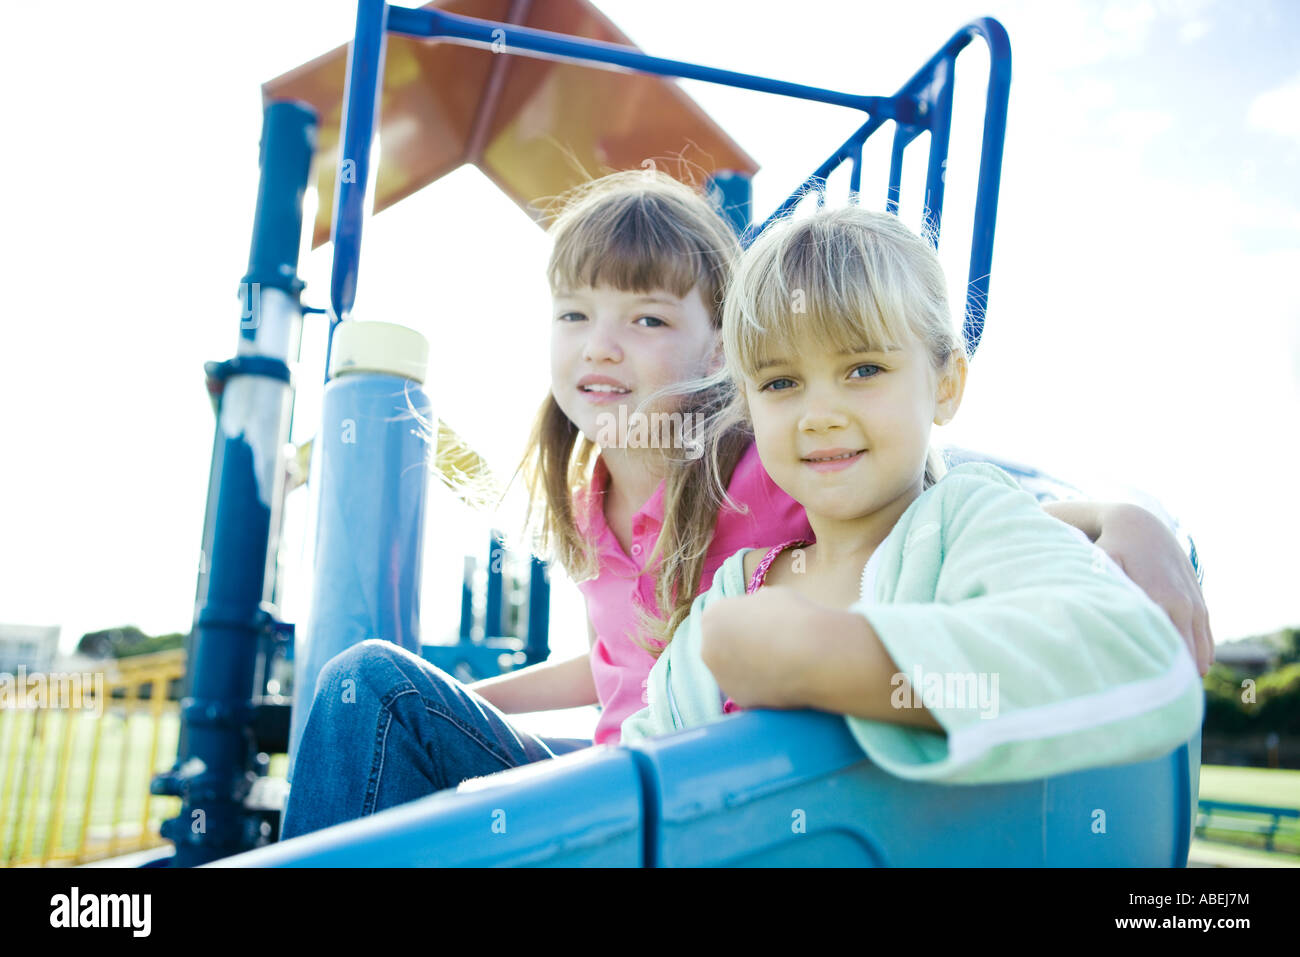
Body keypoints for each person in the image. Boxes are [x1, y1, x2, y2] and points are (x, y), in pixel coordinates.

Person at [280, 171, 1210, 839]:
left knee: (375, 689)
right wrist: (470, 708)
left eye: (646, 318)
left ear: (714, 359)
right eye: (784, 382)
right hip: (647, 797)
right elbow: (637, 701)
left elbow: (1006, 540)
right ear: (755, 390)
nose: (821, 412)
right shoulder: (717, 580)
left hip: (756, 810)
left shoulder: (845, 499)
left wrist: (1127, 514)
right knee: (379, 698)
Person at [619, 206, 1204, 786]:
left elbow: (1135, 664)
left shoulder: (966, 527)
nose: (819, 415)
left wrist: (830, 658)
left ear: (946, 385)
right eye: (781, 383)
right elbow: (640, 779)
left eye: (864, 369)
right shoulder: (732, 595)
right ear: (749, 405)